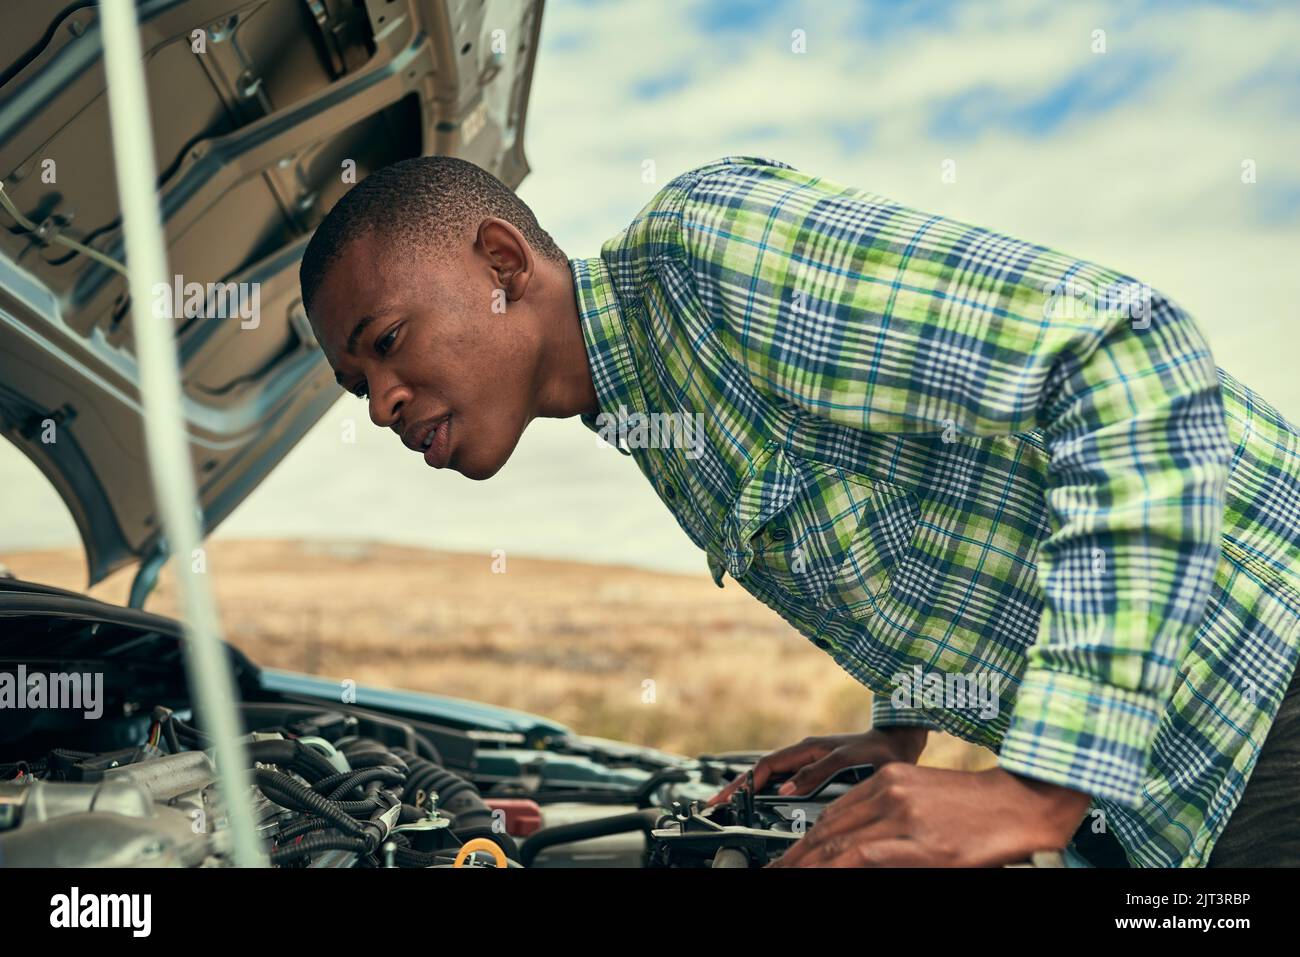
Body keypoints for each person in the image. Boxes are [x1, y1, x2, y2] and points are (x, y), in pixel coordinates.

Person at [298, 154, 1300, 867]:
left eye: (387, 340)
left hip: (1265, 698)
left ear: (503, 265)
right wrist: (904, 727)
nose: (382, 402)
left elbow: (1126, 355)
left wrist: (1037, 789)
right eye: (357, 386)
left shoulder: (707, 250)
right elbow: (940, 506)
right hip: (1161, 802)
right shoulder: (643, 406)